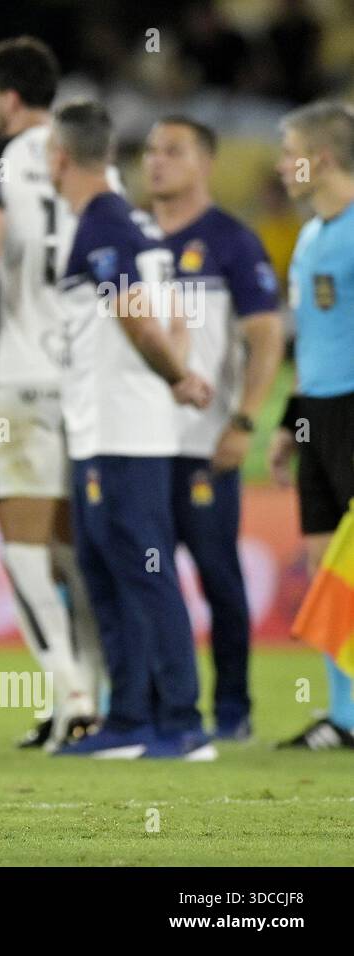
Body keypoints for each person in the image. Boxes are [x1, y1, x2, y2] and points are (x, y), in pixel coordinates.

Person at [0, 37, 102, 751]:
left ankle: (72, 694)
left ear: (5, 94)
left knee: (24, 549)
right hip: (96, 382)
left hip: (28, 379)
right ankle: (94, 694)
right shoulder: (92, 158)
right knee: (77, 547)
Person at [47, 101, 216, 760]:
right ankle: (130, 718)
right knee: (108, 567)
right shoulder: (129, 224)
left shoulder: (106, 224)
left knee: (143, 570)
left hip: (123, 433)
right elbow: (170, 313)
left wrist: (175, 376)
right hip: (107, 430)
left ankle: (181, 720)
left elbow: (140, 317)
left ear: (61, 158)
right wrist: (176, 368)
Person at [142, 116, 284, 741]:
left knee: (217, 574)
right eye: (149, 151)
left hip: (203, 442)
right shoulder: (133, 240)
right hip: (138, 443)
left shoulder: (231, 241)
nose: (156, 162)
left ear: (204, 162)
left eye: (172, 151)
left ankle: (233, 710)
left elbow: (266, 336)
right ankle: (159, 709)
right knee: (146, 578)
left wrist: (244, 420)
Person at [269, 101, 354, 750]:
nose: (279, 164)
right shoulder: (308, 237)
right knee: (327, 569)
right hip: (317, 416)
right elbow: (312, 344)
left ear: (320, 158)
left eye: (289, 150)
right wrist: (287, 422)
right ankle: (343, 717)